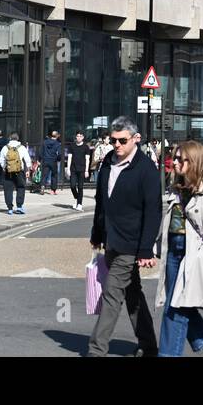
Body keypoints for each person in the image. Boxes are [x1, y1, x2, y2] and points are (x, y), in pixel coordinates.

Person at [88, 116, 161, 357]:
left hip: (131, 243)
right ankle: (149, 346)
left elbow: (153, 211)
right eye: (113, 140)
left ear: (135, 139)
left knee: (112, 294)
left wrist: (146, 248)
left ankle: (96, 350)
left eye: (122, 140)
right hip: (111, 241)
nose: (117, 145)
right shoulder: (108, 163)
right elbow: (101, 203)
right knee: (133, 294)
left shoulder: (146, 169)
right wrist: (96, 233)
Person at [155, 140, 203, 357]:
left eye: (181, 159)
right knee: (180, 303)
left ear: (194, 162)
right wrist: (157, 246)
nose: (175, 162)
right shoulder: (176, 189)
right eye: (175, 158)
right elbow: (170, 224)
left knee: (175, 308)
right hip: (173, 252)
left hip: (194, 256)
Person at [1, 133, 32, 214]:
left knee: (8, 189)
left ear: (10, 138)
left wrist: (4, 167)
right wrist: (28, 170)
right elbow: (27, 159)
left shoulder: (5, 148)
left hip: (8, 171)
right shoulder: (22, 147)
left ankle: (10, 208)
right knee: (20, 187)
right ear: (18, 139)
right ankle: (19, 207)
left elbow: (1, 159)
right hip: (19, 171)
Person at [66, 130, 92, 212]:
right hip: (73, 169)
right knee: (72, 186)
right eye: (77, 136)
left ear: (83, 137)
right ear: (76, 137)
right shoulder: (72, 146)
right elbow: (69, 158)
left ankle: (79, 204)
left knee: (80, 187)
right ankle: (77, 197)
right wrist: (68, 168)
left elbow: (87, 159)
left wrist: (87, 170)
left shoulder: (86, 147)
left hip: (82, 169)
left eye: (80, 136)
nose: (79, 137)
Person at [40, 131, 63, 195]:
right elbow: (59, 154)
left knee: (44, 175)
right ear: (57, 136)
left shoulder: (45, 142)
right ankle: (53, 190)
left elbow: (41, 152)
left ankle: (42, 186)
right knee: (54, 175)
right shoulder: (57, 143)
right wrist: (58, 159)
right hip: (53, 161)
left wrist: (39, 160)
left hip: (45, 160)